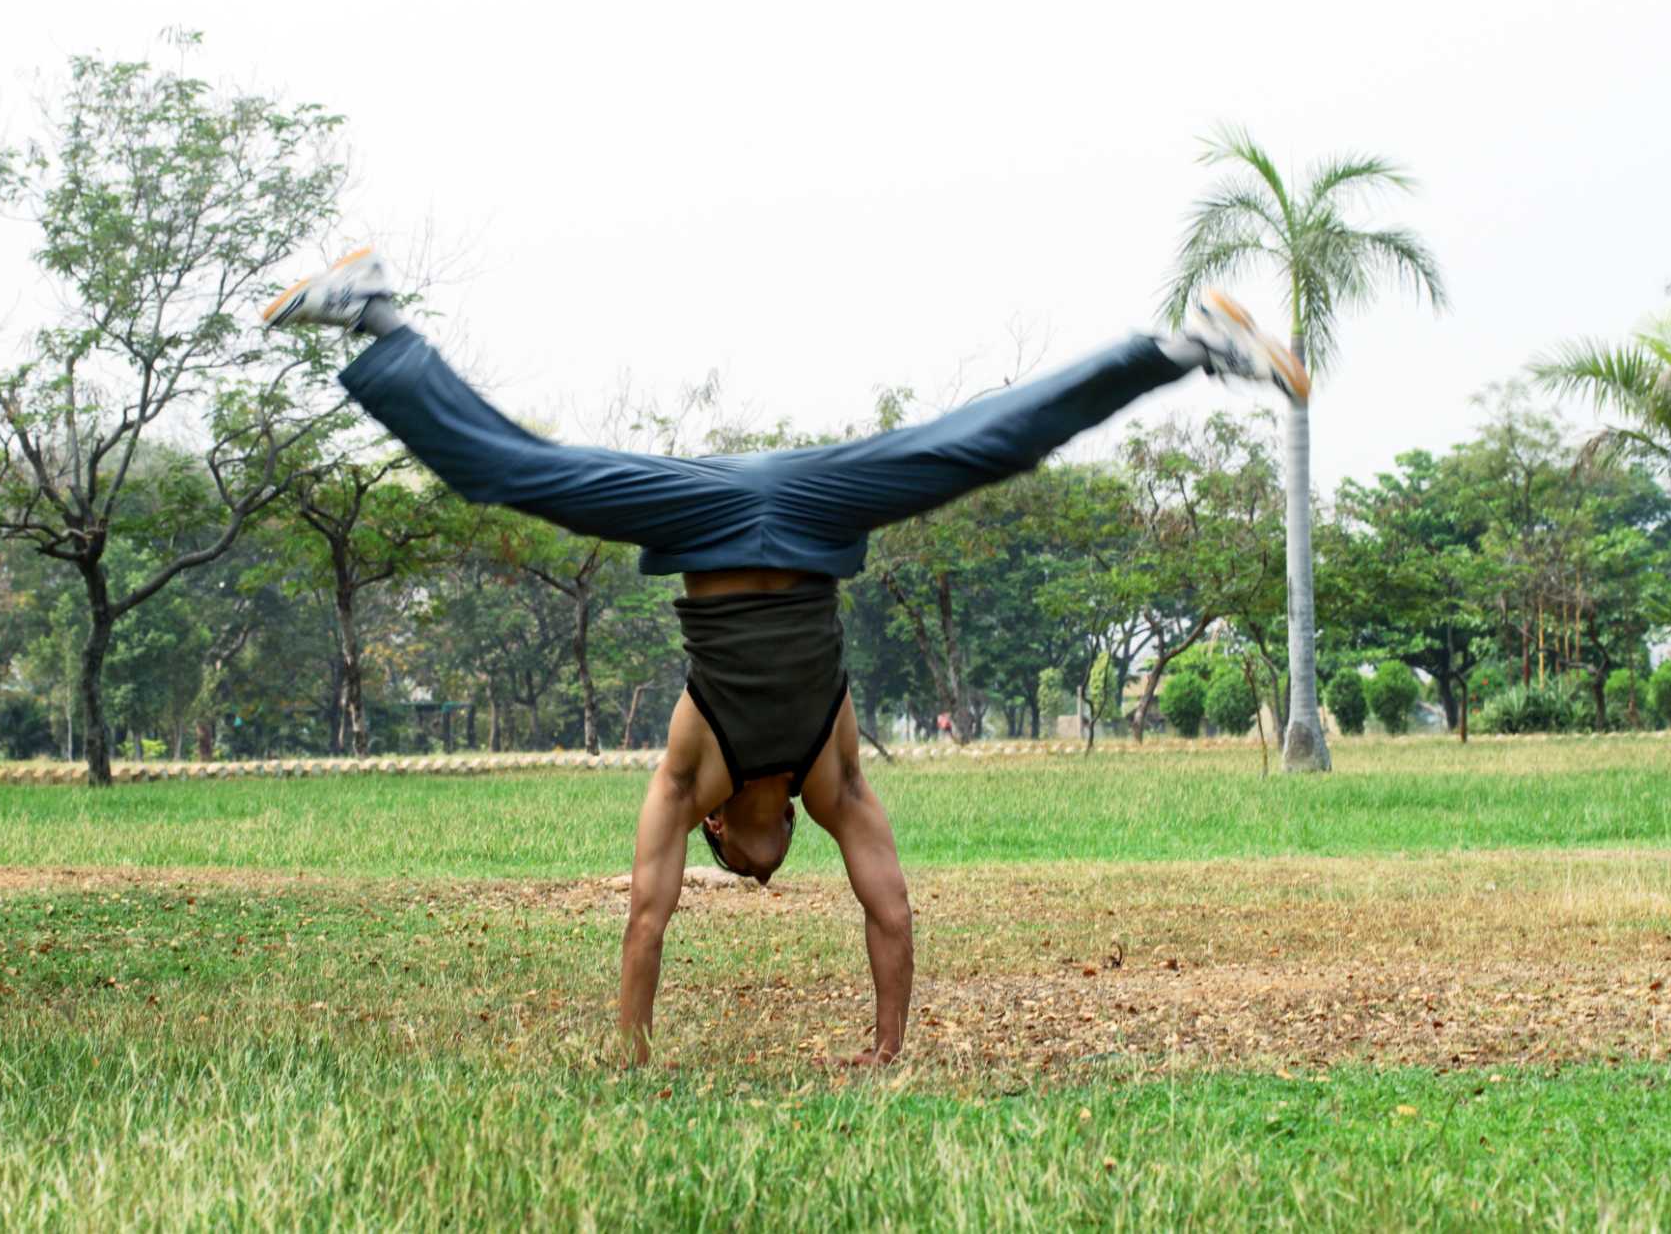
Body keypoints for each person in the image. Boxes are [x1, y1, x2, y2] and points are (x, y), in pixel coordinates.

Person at [265, 249, 1307, 1065]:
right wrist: (887, 1053)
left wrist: (630, 1056)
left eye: (726, 868)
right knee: (985, 445)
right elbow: (890, 911)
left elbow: (642, 914)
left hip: (707, 512)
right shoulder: (830, 776)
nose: (755, 878)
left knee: (514, 472)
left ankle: (374, 319)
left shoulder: (689, 774)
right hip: (809, 515)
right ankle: (1184, 349)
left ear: (716, 830)